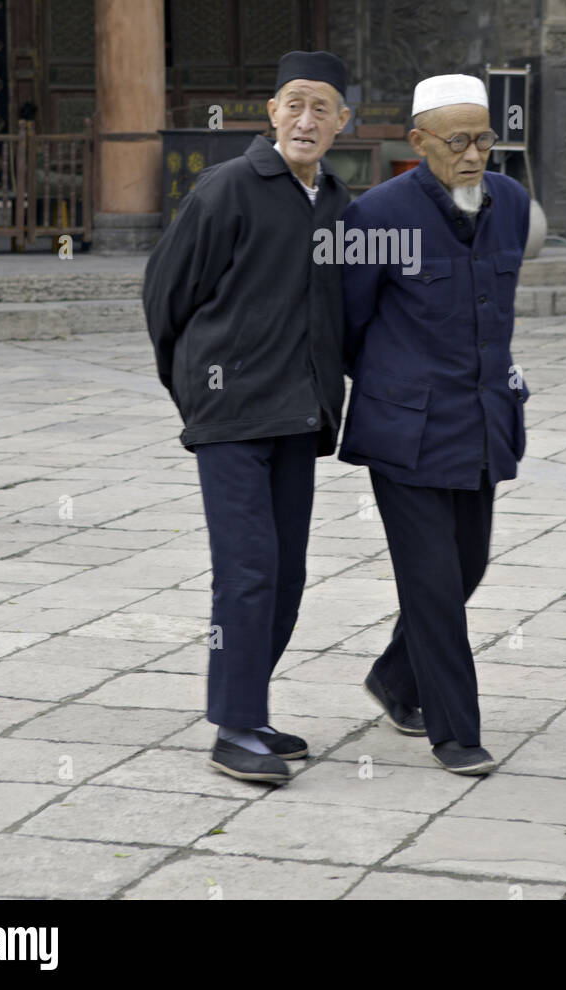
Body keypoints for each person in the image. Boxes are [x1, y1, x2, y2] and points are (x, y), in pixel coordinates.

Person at [143, 51, 351, 785]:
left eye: (321, 107)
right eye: (293, 103)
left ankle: (251, 708)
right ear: (270, 113)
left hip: (298, 417)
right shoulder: (228, 188)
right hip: (230, 413)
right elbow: (165, 295)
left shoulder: (334, 203)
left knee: (287, 573)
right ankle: (232, 728)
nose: (305, 119)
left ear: (340, 124)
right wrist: (196, 389)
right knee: (246, 570)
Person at [339, 73, 531, 776]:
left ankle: (395, 679)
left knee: (467, 565)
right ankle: (456, 733)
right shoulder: (376, 215)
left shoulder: (510, 201)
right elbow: (348, 324)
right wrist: (397, 385)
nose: (474, 153)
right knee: (430, 583)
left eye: (484, 137)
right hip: (405, 430)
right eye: (458, 141)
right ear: (419, 143)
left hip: (479, 420)